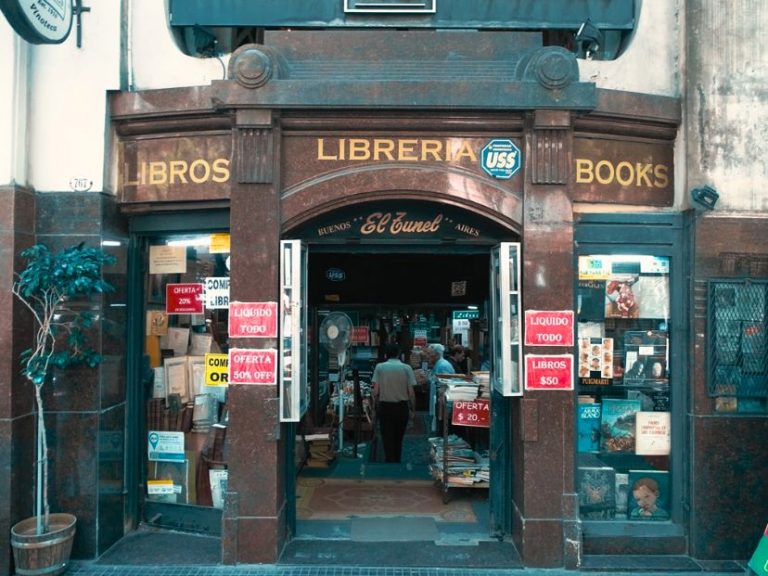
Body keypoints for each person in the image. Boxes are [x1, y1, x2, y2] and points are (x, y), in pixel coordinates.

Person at [372, 343, 417, 463]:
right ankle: (397, 460)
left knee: (387, 437)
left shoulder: (379, 367)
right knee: (399, 437)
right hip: (401, 408)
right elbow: (411, 393)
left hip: (385, 407)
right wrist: (413, 409)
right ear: (399, 354)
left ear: (386, 354)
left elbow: (376, 391)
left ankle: (389, 461)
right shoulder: (407, 368)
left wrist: (375, 406)